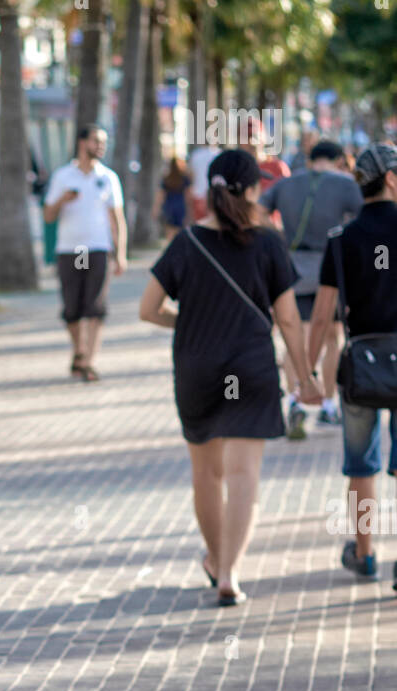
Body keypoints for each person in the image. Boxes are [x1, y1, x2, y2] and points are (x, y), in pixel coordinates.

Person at [138, 149, 322, 606]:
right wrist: (305, 376)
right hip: (251, 367)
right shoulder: (268, 241)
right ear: (253, 188)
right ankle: (229, 573)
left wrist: (188, 322)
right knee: (244, 474)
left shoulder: (187, 242)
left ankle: (216, 557)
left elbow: (148, 309)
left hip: (196, 367)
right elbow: (289, 321)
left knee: (206, 473)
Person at [307, 143, 397, 582]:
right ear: (392, 179)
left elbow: (322, 315)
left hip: (361, 365)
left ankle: (365, 554)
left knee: (361, 465)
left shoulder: (341, 241)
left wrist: (307, 370)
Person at [260, 140, 363, 439]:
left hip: (292, 267)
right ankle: (328, 404)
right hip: (332, 267)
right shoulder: (344, 184)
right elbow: (360, 219)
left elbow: (259, 211)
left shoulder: (287, 184)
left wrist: (279, 236)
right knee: (334, 338)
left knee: (296, 337)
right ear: (336, 159)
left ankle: (295, 399)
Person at [43, 125, 127, 381]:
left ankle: (88, 361)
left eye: (103, 142)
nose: (101, 146)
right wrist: (62, 200)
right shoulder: (63, 176)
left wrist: (120, 252)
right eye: (96, 141)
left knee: (96, 306)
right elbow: (48, 216)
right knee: (72, 309)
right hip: (70, 250)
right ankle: (79, 350)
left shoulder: (108, 177)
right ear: (82, 143)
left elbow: (118, 219)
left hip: (98, 248)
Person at [152, 156, 193, 240]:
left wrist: (156, 209)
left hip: (169, 207)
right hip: (181, 207)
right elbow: (188, 196)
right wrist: (190, 211)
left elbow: (160, 196)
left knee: (169, 234)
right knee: (180, 233)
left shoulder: (166, 179)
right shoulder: (184, 179)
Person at [188, 142, 220, 222]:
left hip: (198, 194)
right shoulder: (218, 153)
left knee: (200, 224)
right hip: (214, 195)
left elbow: (191, 176)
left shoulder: (196, 155)